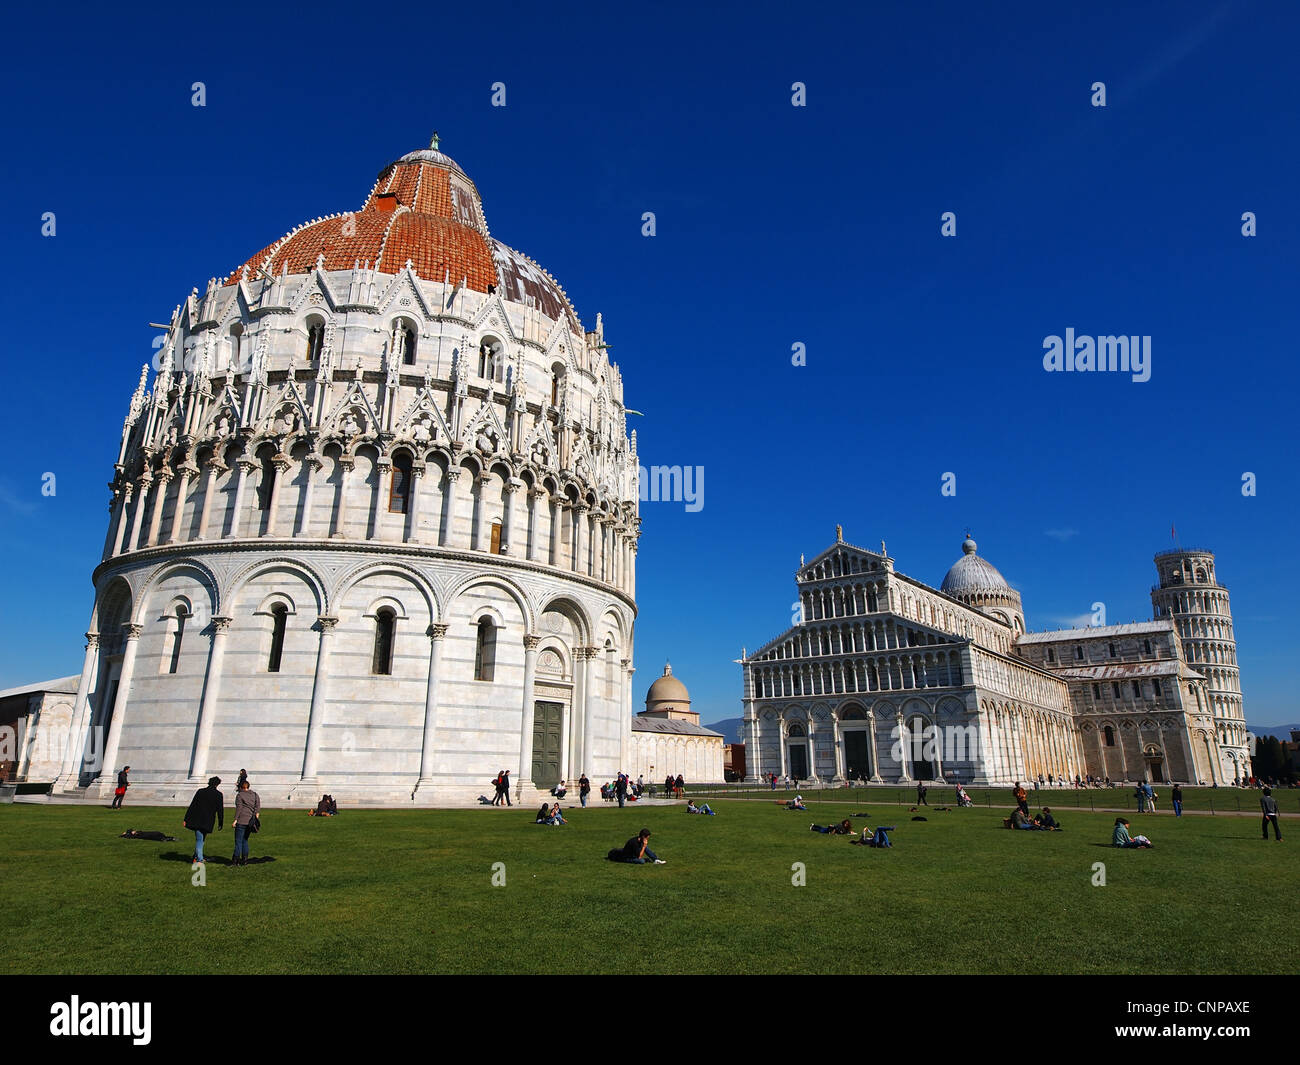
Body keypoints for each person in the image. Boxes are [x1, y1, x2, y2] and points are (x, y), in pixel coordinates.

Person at [183, 777, 224, 864]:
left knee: (200, 839)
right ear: (217, 784)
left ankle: (196, 857)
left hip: (197, 818)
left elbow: (193, 805)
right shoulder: (218, 794)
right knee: (200, 839)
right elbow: (220, 810)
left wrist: (186, 818)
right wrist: (220, 822)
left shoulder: (200, 791)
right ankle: (199, 859)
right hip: (208, 820)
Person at [232, 778, 261, 866]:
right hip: (250, 822)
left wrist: (235, 820)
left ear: (241, 787)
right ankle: (245, 860)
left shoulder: (240, 795)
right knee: (245, 840)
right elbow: (257, 808)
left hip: (241, 820)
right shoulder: (255, 795)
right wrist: (255, 818)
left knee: (238, 841)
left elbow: (239, 808)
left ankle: (235, 860)